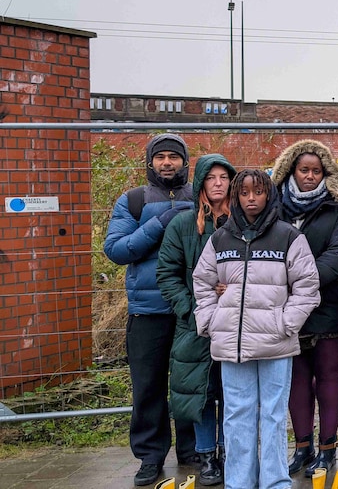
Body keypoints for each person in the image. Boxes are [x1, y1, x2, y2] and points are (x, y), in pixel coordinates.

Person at [192, 169, 320, 489]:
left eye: (258, 192)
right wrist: (210, 321)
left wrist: (285, 323)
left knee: (274, 416)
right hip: (233, 345)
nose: (251, 198)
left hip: (275, 342)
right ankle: (239, 482)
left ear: (269, 195)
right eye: (245, 192)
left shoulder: (288, 237)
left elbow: (307, 287)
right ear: (236, 196)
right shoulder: (220, 238)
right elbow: (203, 283)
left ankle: (275, 482)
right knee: (237, 416)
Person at [103, 133, 198, 486]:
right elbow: (117, 250)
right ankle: (150, 455)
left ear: (185, 162)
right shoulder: (133, 201)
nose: (167, 163)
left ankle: (193, 451)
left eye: (174, 157)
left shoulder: (199, 196)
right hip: (148, 310)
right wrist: (159, 224)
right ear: (150, 162)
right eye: (161, 157)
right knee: (148, 386)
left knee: (190, 384)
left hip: (191, 308)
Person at [271, 140, 338, 477]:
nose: (309, 176)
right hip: (284, 306)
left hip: (327, 302)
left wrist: (301, 281)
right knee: (297, 378)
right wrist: (285, 284)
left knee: (329, 374)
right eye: (303, 170)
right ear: (291, 170)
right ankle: (302, 446)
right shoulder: (274, 207)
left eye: (316, 171)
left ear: (325, 174)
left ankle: (328, 448)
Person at [156, 154, 237, 486]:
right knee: (201, 394)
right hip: (196, 326)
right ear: (201, 182)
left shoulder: (241, 223)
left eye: (223, 177)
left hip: (235, 324)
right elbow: (167, 274)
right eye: (211, 178)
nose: (218, 183)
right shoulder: (182, 225)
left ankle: (230, 452)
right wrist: (191, 309)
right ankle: (206, 456)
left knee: (232, 392)